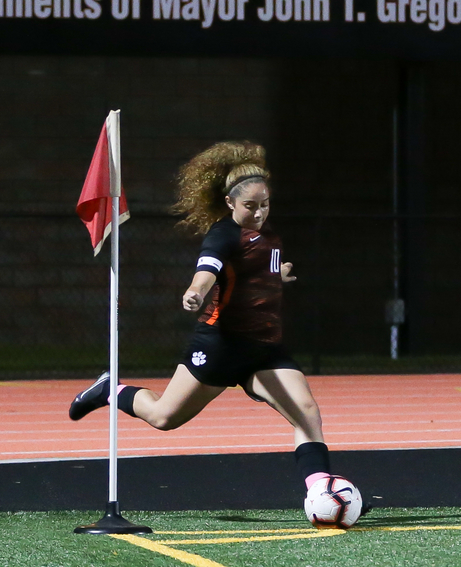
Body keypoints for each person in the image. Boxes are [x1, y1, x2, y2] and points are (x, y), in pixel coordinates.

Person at [68, 141, 340, 497]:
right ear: (230, 202)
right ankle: (110, 390)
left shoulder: (268, 235)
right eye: (250, 206)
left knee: (305, 411)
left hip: (264, 348)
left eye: (265, 204)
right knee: (164, 417)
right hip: (220, 345)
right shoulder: (223, 234)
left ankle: (322, 493)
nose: (259, 212)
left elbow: (251, 274)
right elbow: (208, 268)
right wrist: (196, 290)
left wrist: (278, 275)